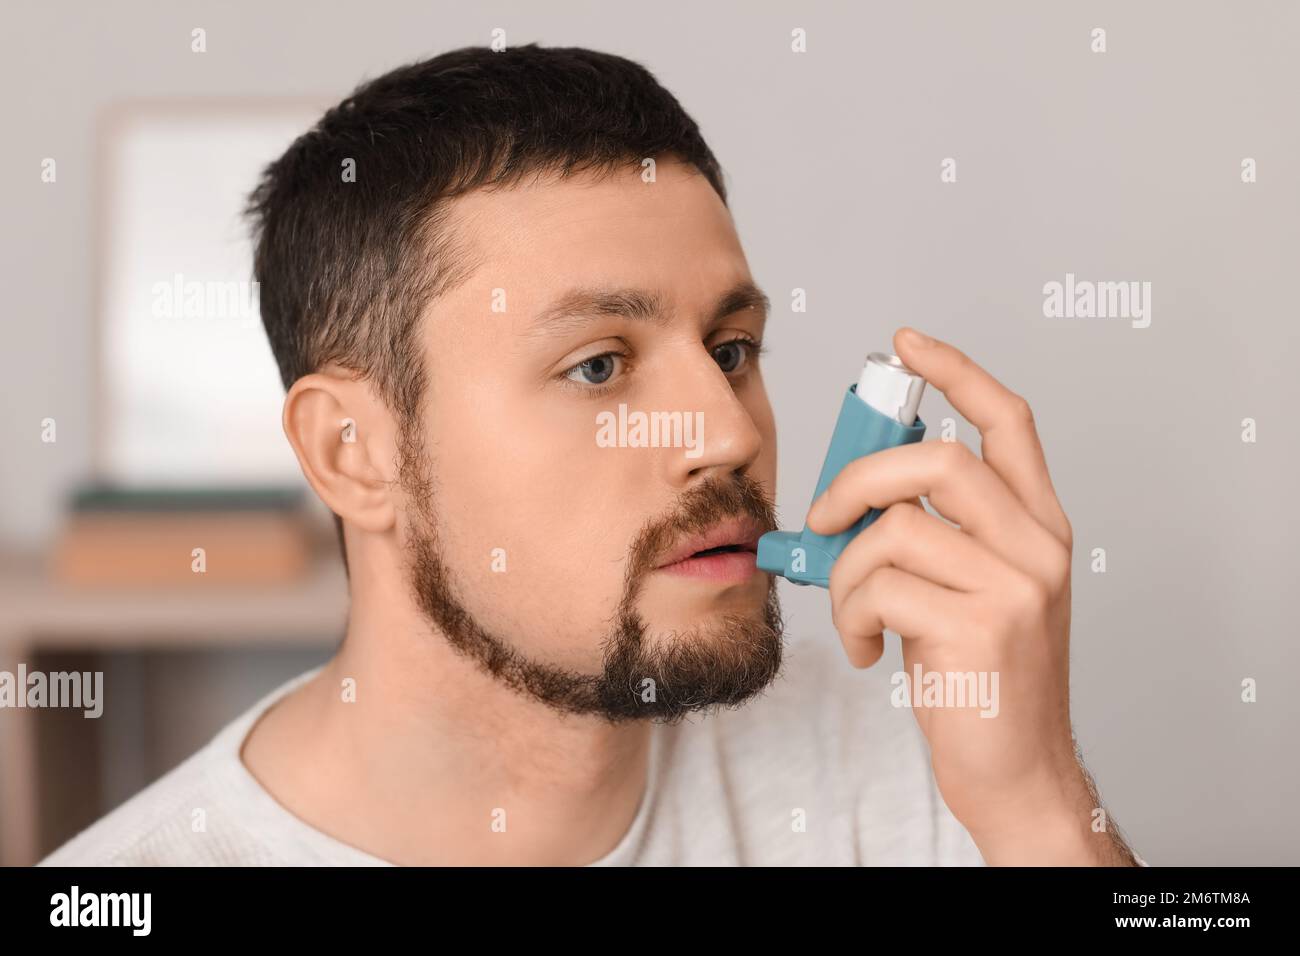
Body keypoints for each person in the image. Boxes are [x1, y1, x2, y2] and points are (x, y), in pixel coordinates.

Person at [42, 44, 1141, 866]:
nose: (726, 430)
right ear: (355, 451)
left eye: (730, 347)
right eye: (600, 366)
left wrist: (1039, 802)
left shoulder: (915, 762)